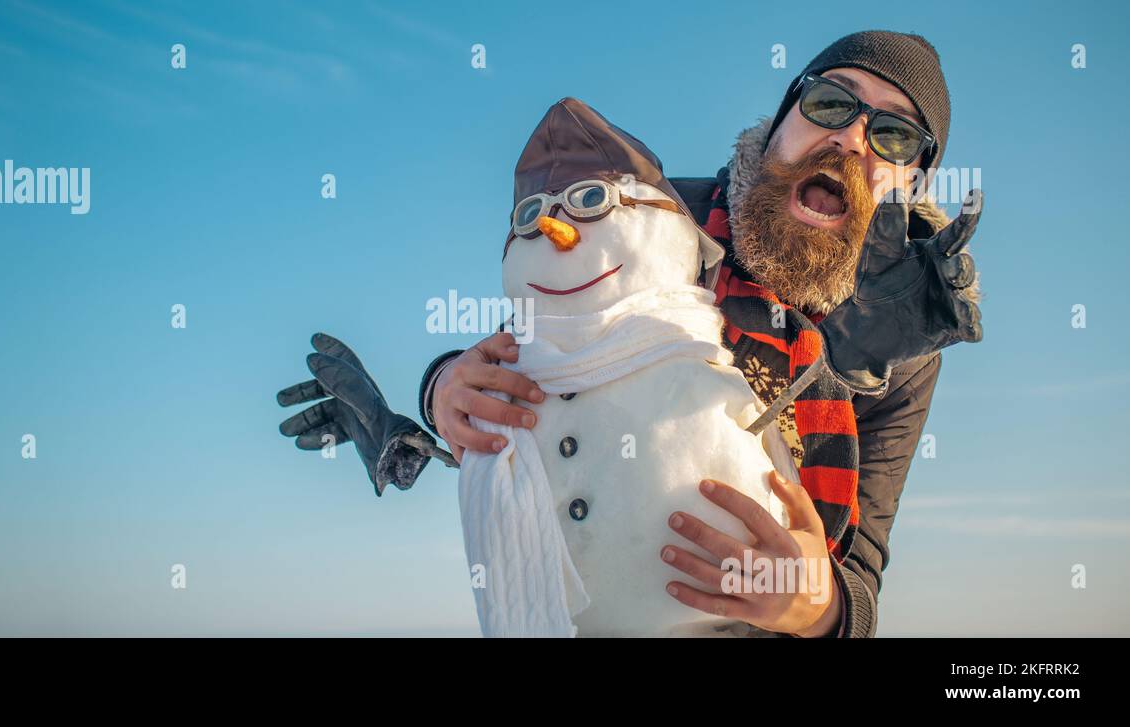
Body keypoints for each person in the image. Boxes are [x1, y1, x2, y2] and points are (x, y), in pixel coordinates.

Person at [416, 31, 980, 637]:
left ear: (913, 185)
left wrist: (817, 607)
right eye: (831, 104)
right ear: (780, 123)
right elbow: (532, 353)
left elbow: (861, 574)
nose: (850, 138)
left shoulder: (903, 352)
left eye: (893, 136)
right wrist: (444, 387)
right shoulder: (658, 217)